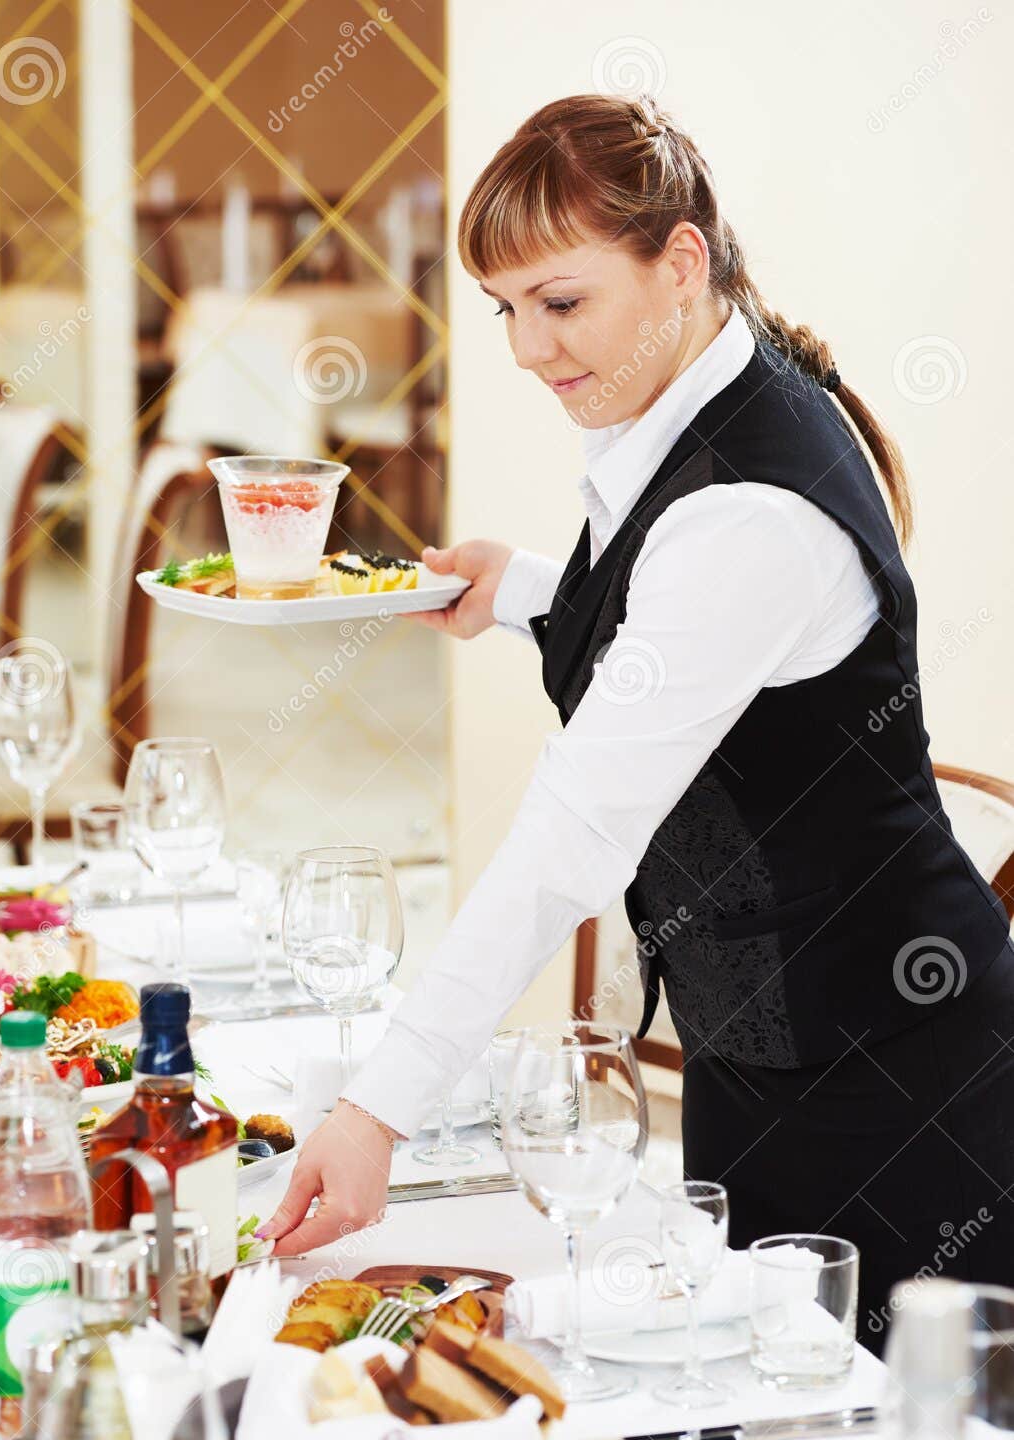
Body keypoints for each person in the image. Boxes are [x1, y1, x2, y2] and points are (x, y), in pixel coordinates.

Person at [260, 94, 1014, 1349]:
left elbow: (572, 836)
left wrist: (375, 1111)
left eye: (560, 303)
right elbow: (687, 635)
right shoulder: (692, 403)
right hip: (760, 1055)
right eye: (506, 310)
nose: (527, 348)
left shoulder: (745, 513)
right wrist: (531, 591)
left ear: (681, 263)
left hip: (892, 1088)